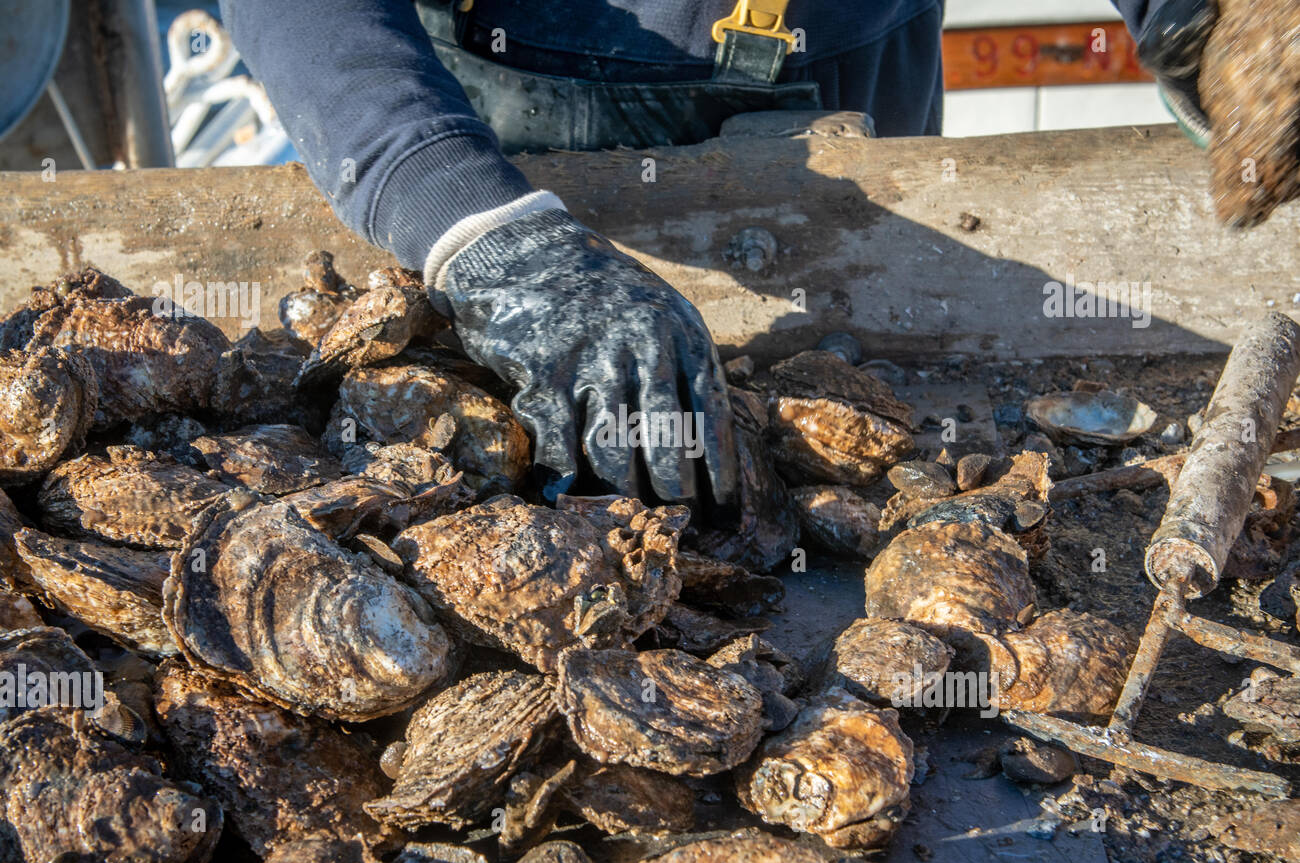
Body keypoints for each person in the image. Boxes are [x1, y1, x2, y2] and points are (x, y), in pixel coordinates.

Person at [217, 0, 1212, 507]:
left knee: (898, 422)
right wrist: (471, 223)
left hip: (846, 71)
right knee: (530, 468)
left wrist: (1209, 19)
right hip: (497, 116)